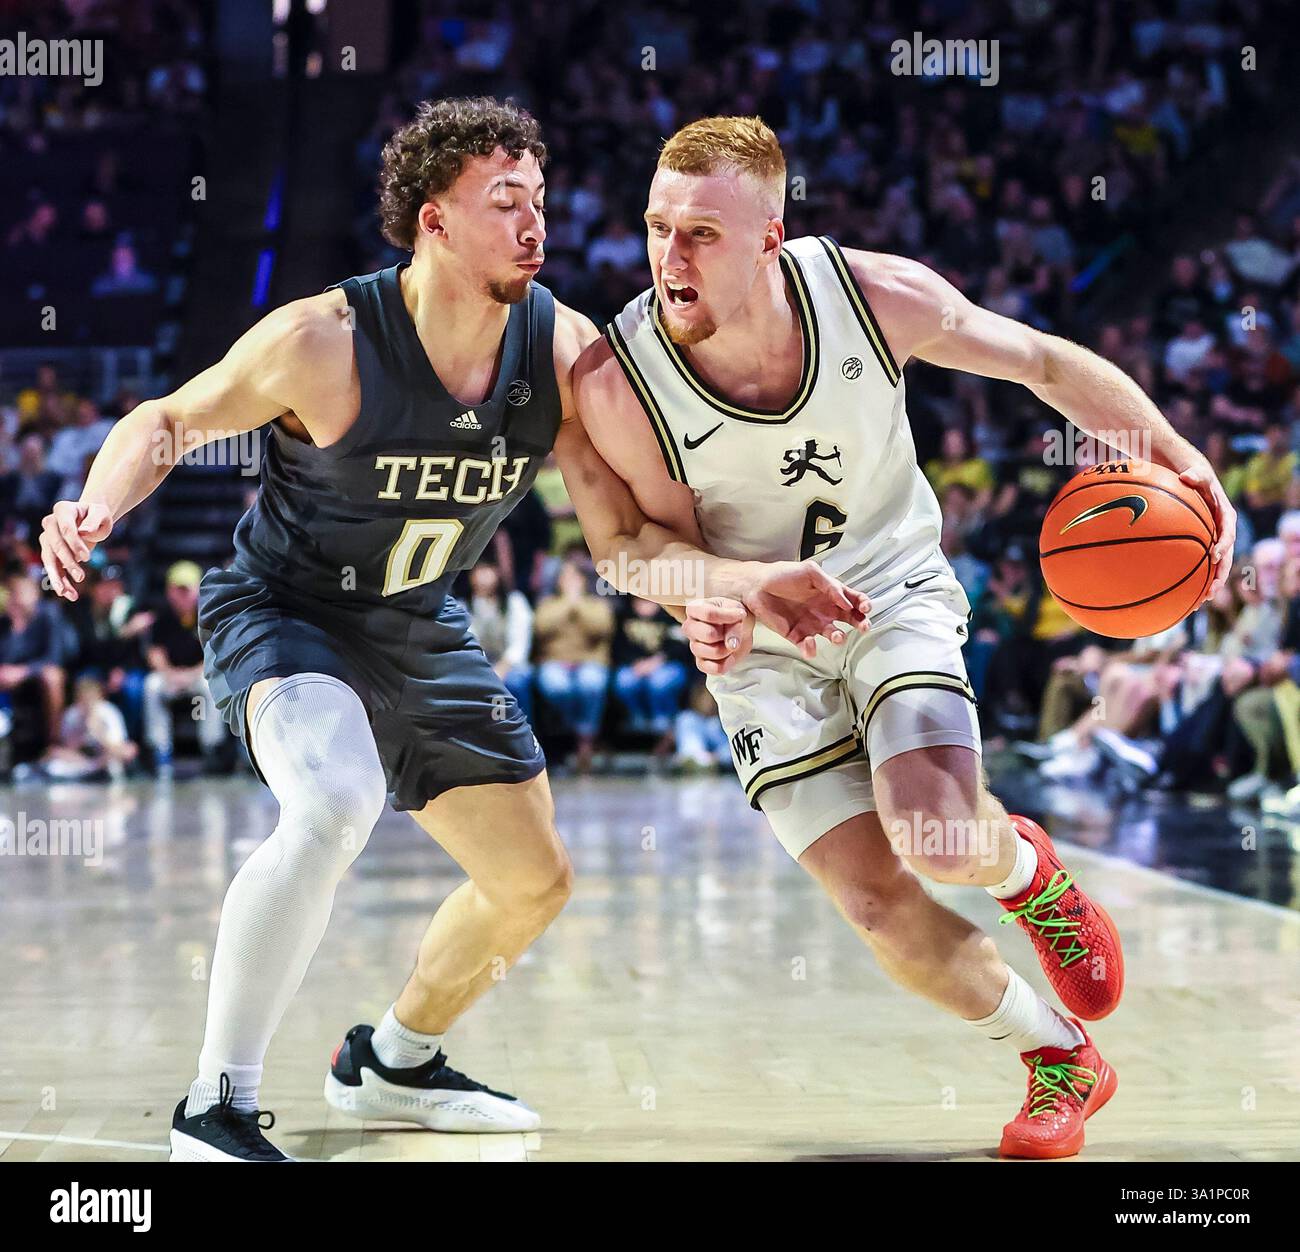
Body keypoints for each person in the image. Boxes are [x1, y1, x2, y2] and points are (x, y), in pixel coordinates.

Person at [40, 98, 866, 1162]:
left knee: (534, 881)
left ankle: (393, 1059)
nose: (535, 225)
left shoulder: (561, 353)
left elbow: (624, 542)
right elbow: (166, 422)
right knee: (335, 801)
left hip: (420, 625)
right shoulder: (322, 342)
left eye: (539, 200)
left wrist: (736, 586)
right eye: (504, 203)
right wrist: (96, 506)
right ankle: (216, 1102)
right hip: (287, 612)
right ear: (433, 222)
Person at [572, 115, 1237, 1159]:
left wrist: (1171, 451)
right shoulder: (619, 376)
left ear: (768, 237)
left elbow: (1043, 365)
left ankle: (1025, 871)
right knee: (877, 903)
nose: (669, 256)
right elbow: (634, 546)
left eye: (700, 232)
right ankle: (1059, 1057)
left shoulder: (872, 294)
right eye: (658, 226)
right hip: (763, 640)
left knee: (930, 827)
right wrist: (709, 600)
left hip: (888, 588)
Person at [141, 560, 227, 776]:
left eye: (187, 590)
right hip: (170, 675)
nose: (182, 595)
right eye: (177, 590)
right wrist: (169, 674)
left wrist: (190, 675)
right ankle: (160, 750)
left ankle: (211, 748)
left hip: (199, 675)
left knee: (210, 688)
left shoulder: (209, 615)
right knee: (152, 686)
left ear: (198, 590)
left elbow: (215, 654)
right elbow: (154, 652)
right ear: (169, 591)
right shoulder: (161, 615)